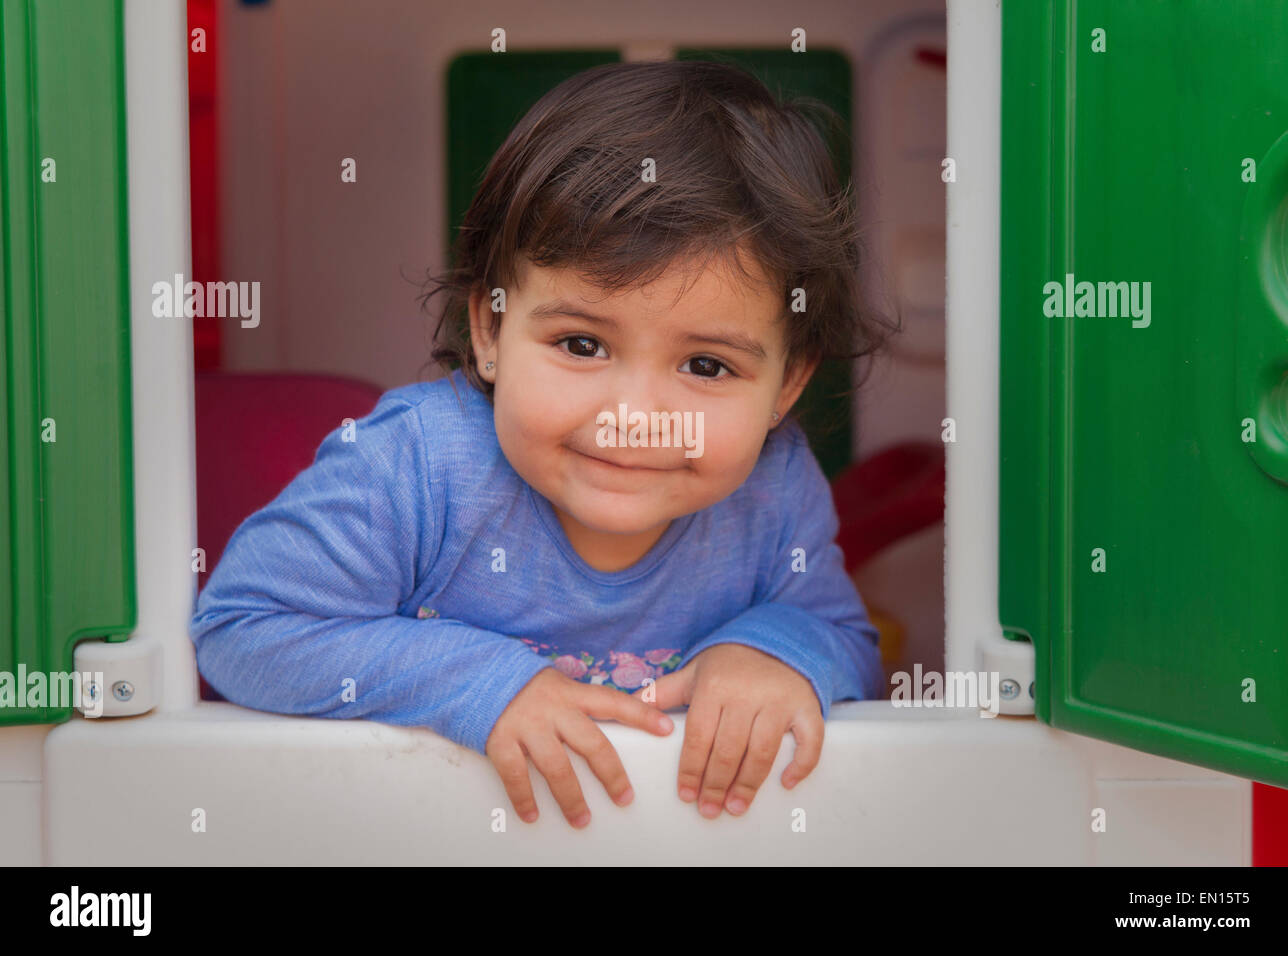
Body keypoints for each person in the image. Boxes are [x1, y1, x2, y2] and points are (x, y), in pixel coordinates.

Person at [191, 58, 893, 830]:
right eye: (582, 345)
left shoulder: (775, 486)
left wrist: (774, 651)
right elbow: (240, 627)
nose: (634, 415)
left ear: (786, 386)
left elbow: (847, 639)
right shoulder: (418, 464)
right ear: (490, 330)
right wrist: (479, 682)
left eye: (705, 365)